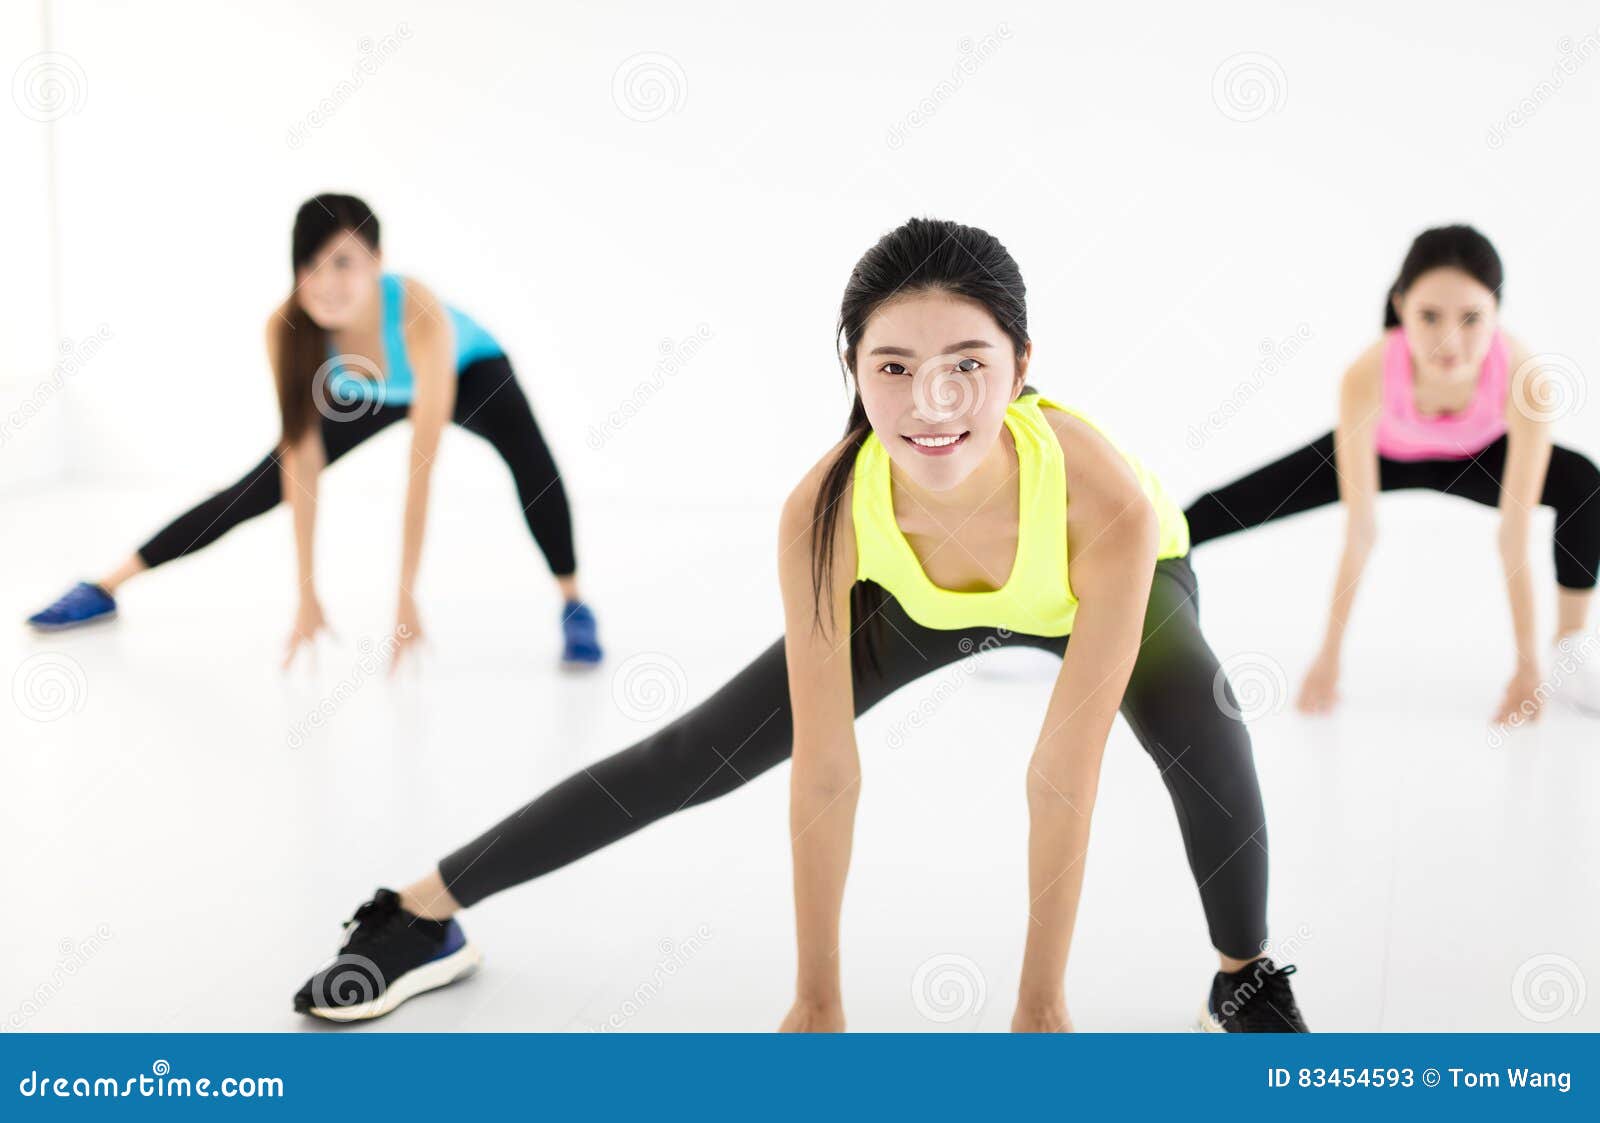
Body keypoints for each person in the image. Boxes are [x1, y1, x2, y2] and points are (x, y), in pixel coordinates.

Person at [292, 217, 1307, 1032]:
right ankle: (422, 911)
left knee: (1204, 729)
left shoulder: (1108, 504)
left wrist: (1039, 1011)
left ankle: (1243, 974)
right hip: (908, 603)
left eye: (968, 362)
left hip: (1097, 587)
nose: (932, 402)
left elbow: (1061, 771)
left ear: (1022, 360)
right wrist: (816, 1001)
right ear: (852, 367)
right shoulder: (824, 511)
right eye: (893, 368)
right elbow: (826, 771)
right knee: (696, 751)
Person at [25, 194, 602, 669]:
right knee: (258, 488)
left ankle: (574, 604)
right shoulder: (287, 329)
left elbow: (420, 469)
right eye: (311, 266)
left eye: (344, 263)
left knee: (533, 466)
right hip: (367, 391)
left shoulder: (418, 310)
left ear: (378, 262)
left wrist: (405, 596)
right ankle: (103, 587)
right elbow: (300, 467)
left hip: (467, 373)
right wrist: (307, 594)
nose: (326, 283)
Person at [1184, 225, 1600, 722]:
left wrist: (1528, 666)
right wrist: (1329, 657)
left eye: (1471, 319)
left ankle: (1568, 655)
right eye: (1429, 316)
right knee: (1205, 514)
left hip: (1479, 457)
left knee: (1583, 482)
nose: (1450, 341)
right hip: (1388, 452)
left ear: (1496, 313)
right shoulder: (1367, 374)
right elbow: (1361, 533)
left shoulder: (1526, 379)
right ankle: (1107, 602)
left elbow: (1513, 538)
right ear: (1400, 307)